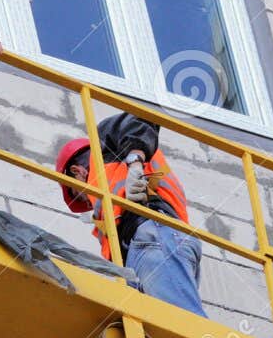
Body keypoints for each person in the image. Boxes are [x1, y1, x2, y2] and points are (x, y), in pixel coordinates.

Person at [55, 113, 204, 316]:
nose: (87, 202)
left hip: (155, 236)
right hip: (158, 246)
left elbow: (141, 117)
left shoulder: (103, 151)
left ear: (76, 171)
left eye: (76, 193)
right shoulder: (110, 180)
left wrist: (135, 165)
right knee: (161, 330)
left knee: (184, 325)